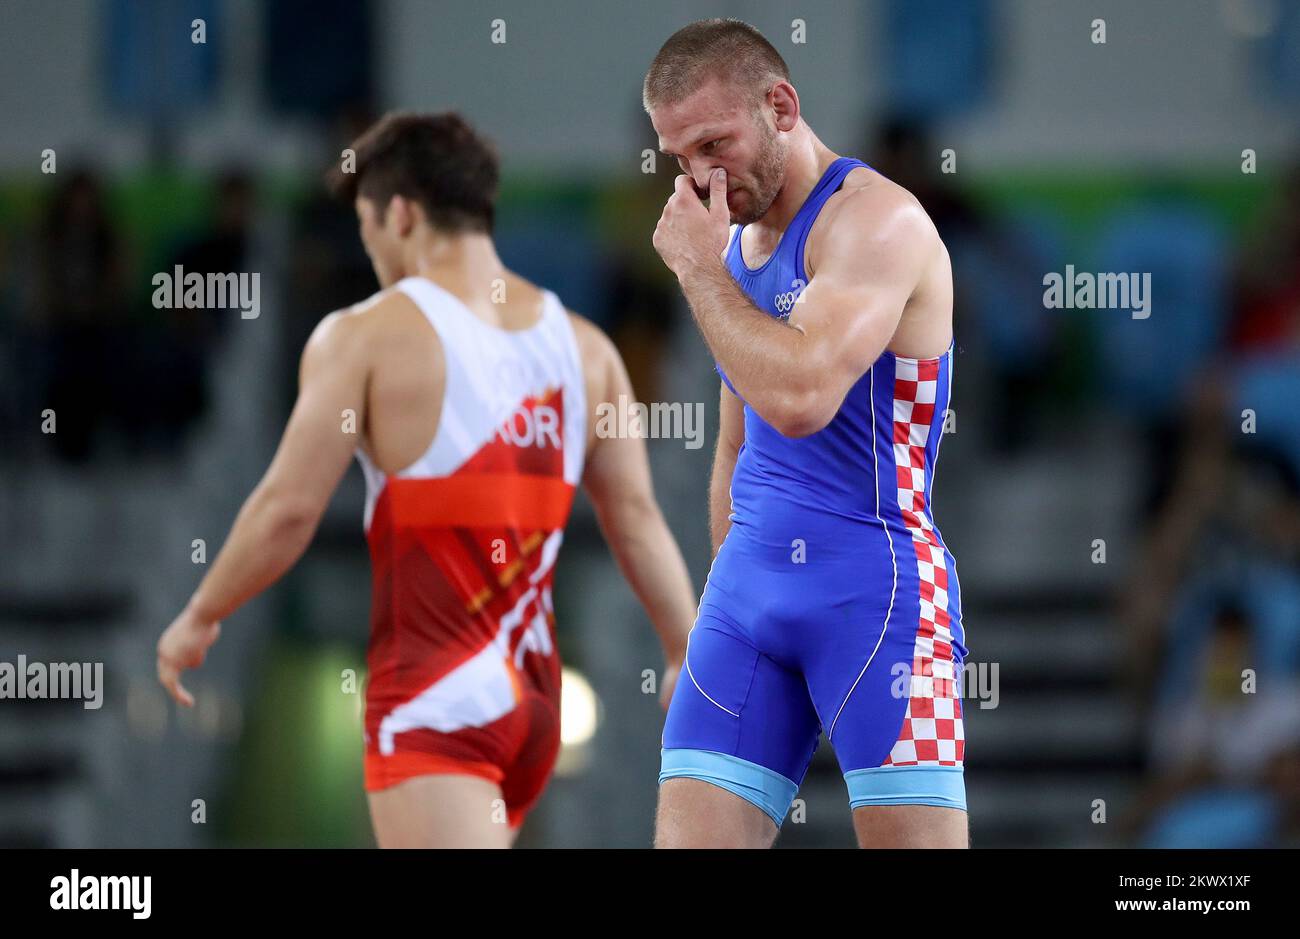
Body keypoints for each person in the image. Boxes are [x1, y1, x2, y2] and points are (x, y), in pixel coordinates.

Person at [157, 112, 695, 847]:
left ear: (402, 213)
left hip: (439, 694)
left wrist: (202, 611)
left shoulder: (366, 336)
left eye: (368, 226)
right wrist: (681, 648)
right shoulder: (586, 347)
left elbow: (287, 510)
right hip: (534, 701)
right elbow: (635, 518)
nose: (369, 249)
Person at [645, 19, 967, 848]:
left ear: (781, 106)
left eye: (715, 142)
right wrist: (721, 608)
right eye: (680, 158)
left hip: (879, 593)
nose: (700, 176)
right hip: (747, 599)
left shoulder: (877, 223)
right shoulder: (736, 249)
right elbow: (735, 446)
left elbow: (800, 398)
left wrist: (699, 273)